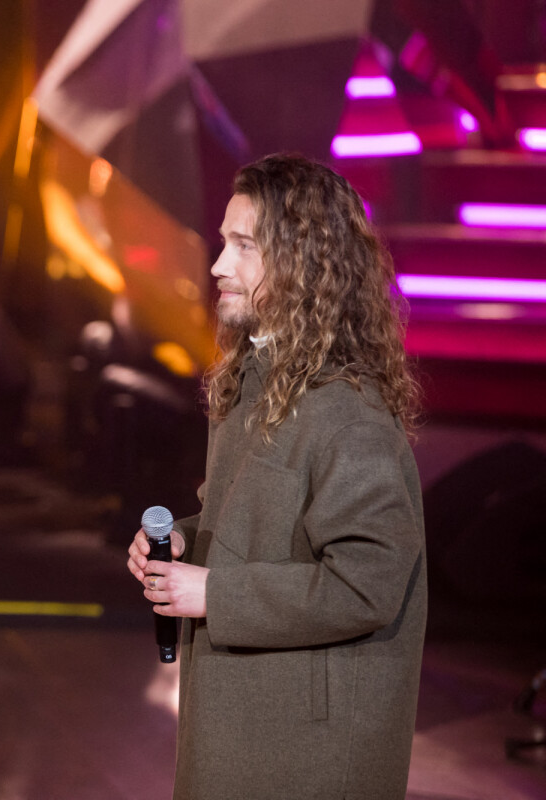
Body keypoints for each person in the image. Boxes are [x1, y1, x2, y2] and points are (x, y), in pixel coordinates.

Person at [127, 153, 427, 799]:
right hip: (244, 722)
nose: (218, 266)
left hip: (306, 753)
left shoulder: (346, 412)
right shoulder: (257, 382)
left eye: (244, 245)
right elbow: (256, 522)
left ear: (303, 263)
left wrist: (216, 594)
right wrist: (182, 541)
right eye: (223, 242)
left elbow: (368, 584)